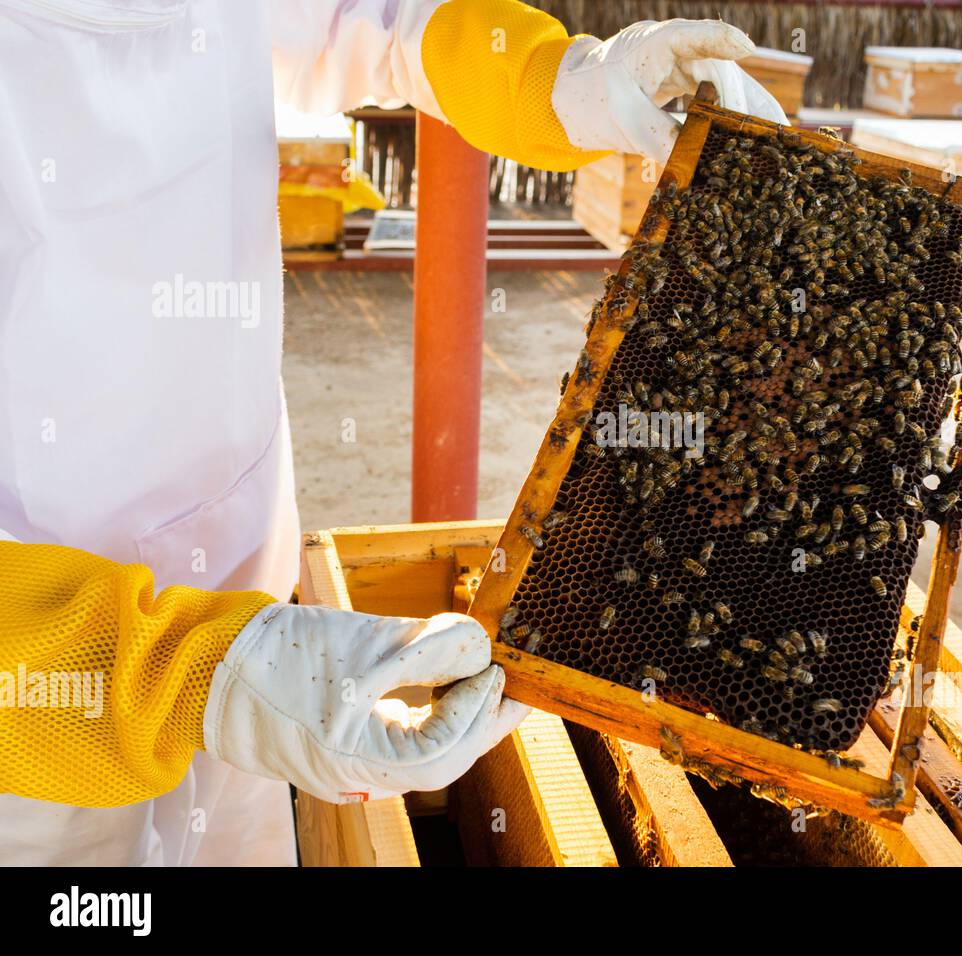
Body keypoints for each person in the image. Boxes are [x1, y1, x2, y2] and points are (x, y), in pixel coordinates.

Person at [0, 0, 786, 866]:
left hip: (244, 588)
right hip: (43, 696)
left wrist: (560, 82)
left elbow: (365, 18)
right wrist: (191, 676)